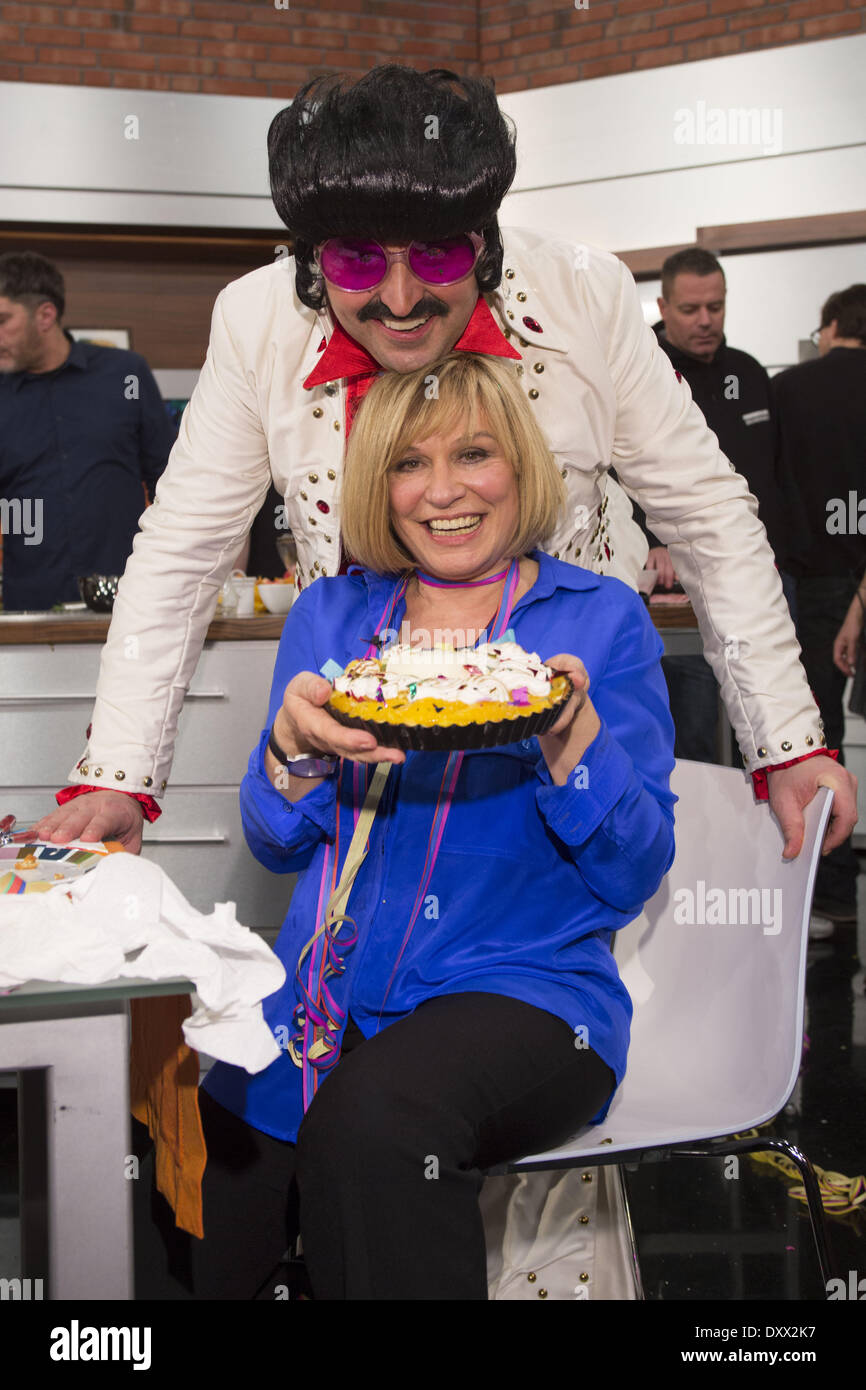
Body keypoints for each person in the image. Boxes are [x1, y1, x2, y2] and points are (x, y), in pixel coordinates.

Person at [27, 67, 855, 908]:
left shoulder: (585, 293)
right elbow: (181, 549)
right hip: (368, 741)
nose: (400, 299)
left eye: (438, 255)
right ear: (312, 260)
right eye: (356, 260)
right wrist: (117, 775)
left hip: (571, 729)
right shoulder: (257, 320)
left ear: (485, 244)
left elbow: (708, 511)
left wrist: (787, 742)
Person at [133, 352, 677, 1299]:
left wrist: (571, 744)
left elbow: (634, 873)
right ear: (376, 486)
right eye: (408, 464)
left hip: (528, 996)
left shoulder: (598, 621)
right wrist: (294, 751)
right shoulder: (333, 617)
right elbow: (277, 844)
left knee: (376, 1124)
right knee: (180, 1154)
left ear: (522, 466)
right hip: (325, 994)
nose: (443, 491)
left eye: (474, 454)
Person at [626, 247, 791, 764]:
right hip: (679, 584)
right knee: (696, 732)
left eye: (715, 307)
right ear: (662, 307)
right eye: (690, 309)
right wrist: (652, 541)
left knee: (770, 725)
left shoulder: (748, 371)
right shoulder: (640, 372)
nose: (705, 320)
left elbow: (774, 471)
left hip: (758, 574)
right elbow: (611, 470)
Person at [0, 252, 176, 610]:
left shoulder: (125, 374)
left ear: (45, 315)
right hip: (28, 606)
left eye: (3, 320)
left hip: (129, 600)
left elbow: (171, 481)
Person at [772, 284, 866, 923]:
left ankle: (824, 893)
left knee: (816, 739)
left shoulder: (789, 389)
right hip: (855, 576)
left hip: (814, 574)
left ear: (829, 327)